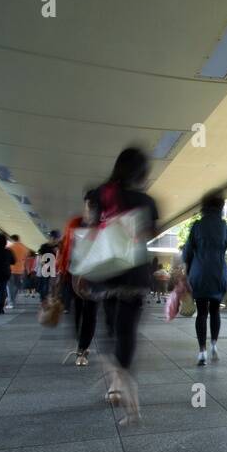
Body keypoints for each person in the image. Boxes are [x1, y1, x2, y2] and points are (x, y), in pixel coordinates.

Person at [85, 148, 158, 425]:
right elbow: (149, 233)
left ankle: (116, 384)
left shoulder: (100, 194)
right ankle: (132, 405)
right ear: (142, 173)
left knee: (109, 334)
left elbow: (92, 232)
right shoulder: (147, 201)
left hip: (108, 274)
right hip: (135, 277)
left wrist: (82, 272)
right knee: (127, 336)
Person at [182, 190, 227, 366]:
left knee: (201, 313)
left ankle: (201, 352)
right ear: (221, 208)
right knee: (215, 311)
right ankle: (214, 344)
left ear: (204, 207)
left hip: (198, 275)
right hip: (218, 275)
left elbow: (186, 254)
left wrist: (189, 270)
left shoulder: (196, 226)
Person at [58, 205, 97, 366]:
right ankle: (81, 343)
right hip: (74, 275)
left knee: (90, 313)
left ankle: (82, 348)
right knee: (78, 312)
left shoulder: (103, 227)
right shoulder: (75, 224)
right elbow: (67, 249)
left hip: (95, 276)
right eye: (88, 206)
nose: (90, 211)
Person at [36, 231, 59, 303]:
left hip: (55, 269)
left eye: (56, 238)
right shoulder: (44, 246)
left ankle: (52, 299)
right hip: (45, 268)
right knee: (45, 284)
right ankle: (43, 299)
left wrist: (58, 252)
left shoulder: (58, 247)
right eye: (53, 238)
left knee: (54, 285)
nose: (54, 240)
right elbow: (40, 256)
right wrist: (44, 265)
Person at [6, 234, 29, 306]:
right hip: (20, 270)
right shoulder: (24, 248)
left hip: (10, 269)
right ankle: (13, 299)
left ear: (12, 240)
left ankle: (11, 301)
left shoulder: (9, 247)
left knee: (9, 286)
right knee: (16, 285)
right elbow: (25, 259)